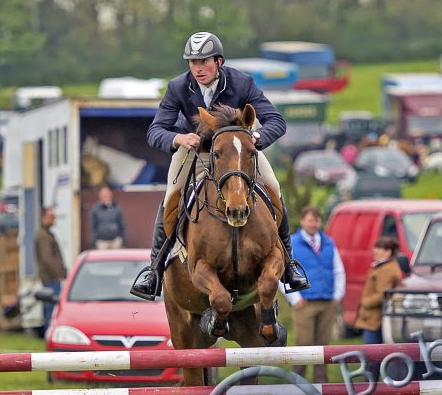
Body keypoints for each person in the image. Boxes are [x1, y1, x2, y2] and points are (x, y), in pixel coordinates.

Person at [130, 31, 309, 300]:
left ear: (219, 61)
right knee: (171, 197)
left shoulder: (241, 82)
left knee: (273, 186)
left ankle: (289, 265)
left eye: (204, 62)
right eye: (193, 62)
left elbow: (276, 121)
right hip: (197, 152)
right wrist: (178, 137)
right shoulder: (178, 87)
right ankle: (154, 270)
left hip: (237, 151)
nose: (198, 68)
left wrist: (255, 138)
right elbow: (155, 131)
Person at [285, 206, 345, 383]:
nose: (313, 224)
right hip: (305, 301)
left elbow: (338, 270)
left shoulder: (328, 242)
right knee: (303, 344)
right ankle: (298, 383)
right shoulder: (292, 243)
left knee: (323, 345)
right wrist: (295, 298)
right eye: (310, 220)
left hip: (327, 301)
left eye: (316, 220)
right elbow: (284, 272)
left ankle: (321, 382)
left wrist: (337, 296)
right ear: (303, 221)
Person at [356, 237, 403, 344]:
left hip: (375, 319)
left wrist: (366, 302)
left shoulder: (387, 269)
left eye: (379, 248)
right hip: (374, 318)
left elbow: (383, 293)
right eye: (375, 247)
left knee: (371, 355)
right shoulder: (383, 266)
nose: (375, 251)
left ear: (388, 252)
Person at [35, 206, 67, 333]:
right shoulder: (43, 236)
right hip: (50, 277)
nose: (54, 220)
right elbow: (47, 258)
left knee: (51, 306)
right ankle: (49, 332)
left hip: (51, 276)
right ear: (43, 218)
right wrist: (58, 273)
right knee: (51, 307)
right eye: (51, 217)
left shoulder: (46, 234)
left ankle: (49, 331)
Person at [90, 185, 126, 249]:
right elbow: (93, 227)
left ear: (110, 194)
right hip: (101, 242)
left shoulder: (116, 208)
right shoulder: (95, 209)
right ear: (100, 195)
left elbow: (122, 225)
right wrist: (93, 243)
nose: (105, 196)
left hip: (115, 241)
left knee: (116, 258)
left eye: (106, 194)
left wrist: (123, 242)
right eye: (103, 194)